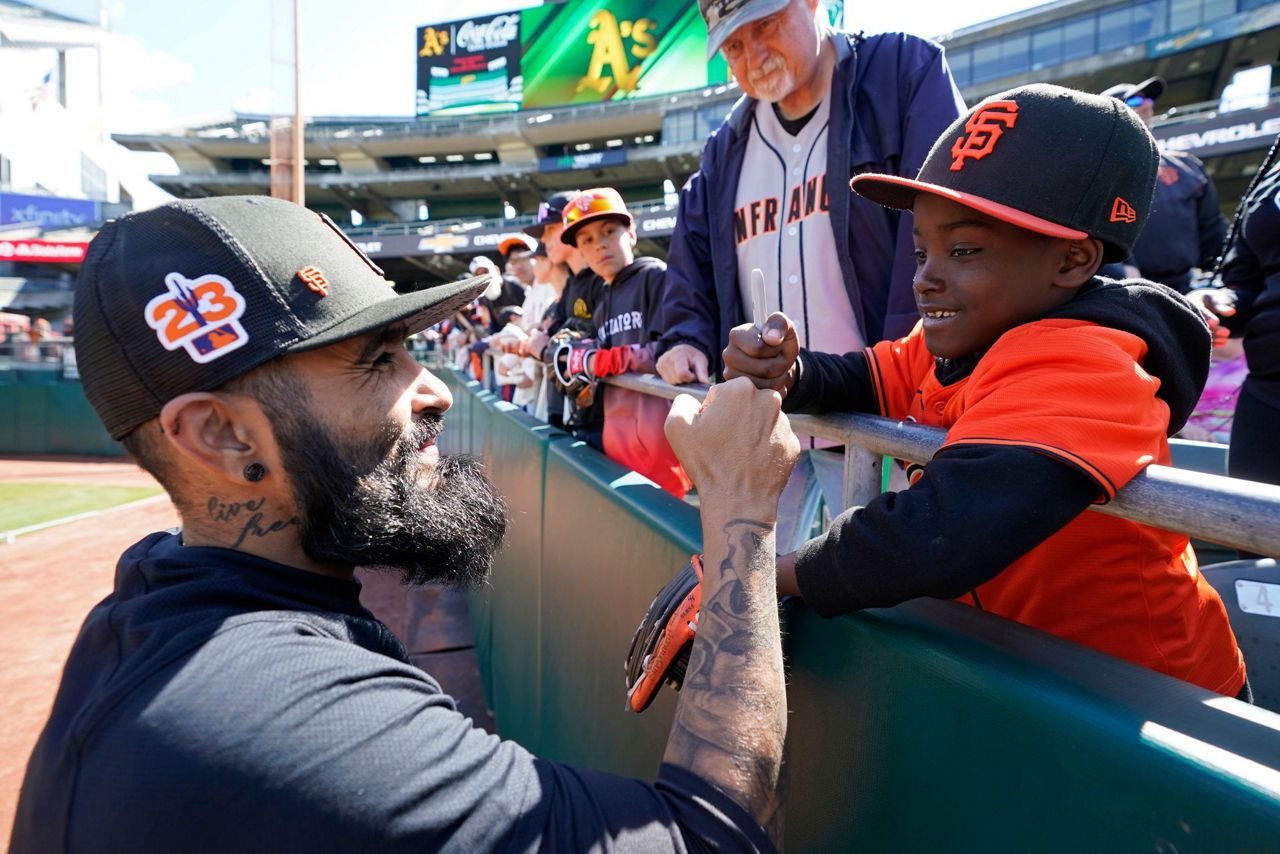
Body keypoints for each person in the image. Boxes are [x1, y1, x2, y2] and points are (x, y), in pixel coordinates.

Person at [10, 196, 795, 853]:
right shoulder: (278, 723)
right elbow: (711, 840)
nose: (434, 391)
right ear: (222, 435)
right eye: (375, 359)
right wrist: (741, 516)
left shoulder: (167, 603)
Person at [722, 85, 1247, 699]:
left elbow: (938, 533)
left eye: (963, 249)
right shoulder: (968, 329)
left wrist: (763, 574)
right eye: (921, 249)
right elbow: (873, 375)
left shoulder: (1089, 359)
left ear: (1072, 261)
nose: (925, 277)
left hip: (1160, 702)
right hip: (1039, 676)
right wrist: (790, 372)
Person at [656, 0, 965, 549]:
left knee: (896, 596)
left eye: (766, 25)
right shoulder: (725, 147)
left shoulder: (901, 71)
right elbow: (693, 257)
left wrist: (926, 368)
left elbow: (954, 225)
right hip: (771, 419)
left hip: (889, 414)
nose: (752, 55)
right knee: (757, 583)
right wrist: (683, 334)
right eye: (732, 45)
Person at [557, 188, 691, 498]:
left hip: (662, 445)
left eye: (608, 231)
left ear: (630, 233)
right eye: (586, 240)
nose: (599, 244)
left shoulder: (655, 277)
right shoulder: (602, 298)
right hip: (616, 441)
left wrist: (605, 361)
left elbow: (672, 353)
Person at [1191, 136, 1280, 546]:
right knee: (1260, 555)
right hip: (1267, 396)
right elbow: (1248, 285)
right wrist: (1216, 302)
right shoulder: (1271, 176)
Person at [1102, 77, 1227, 293]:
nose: (1147, 105)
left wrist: (1222, 274)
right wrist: (1122, 270)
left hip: (1186, 287)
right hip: (1120, 290)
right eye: (1133, 101)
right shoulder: (1096, 170)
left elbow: (1213, 231)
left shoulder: (1186, 166)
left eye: (1148, 99)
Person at [523, 189, 606, 438]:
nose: (545, 241)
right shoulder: (572, 285)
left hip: (603, 419)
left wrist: (546, 349)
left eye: (550, 230)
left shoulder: (603, 280)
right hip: (574, 413)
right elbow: (545, 334)